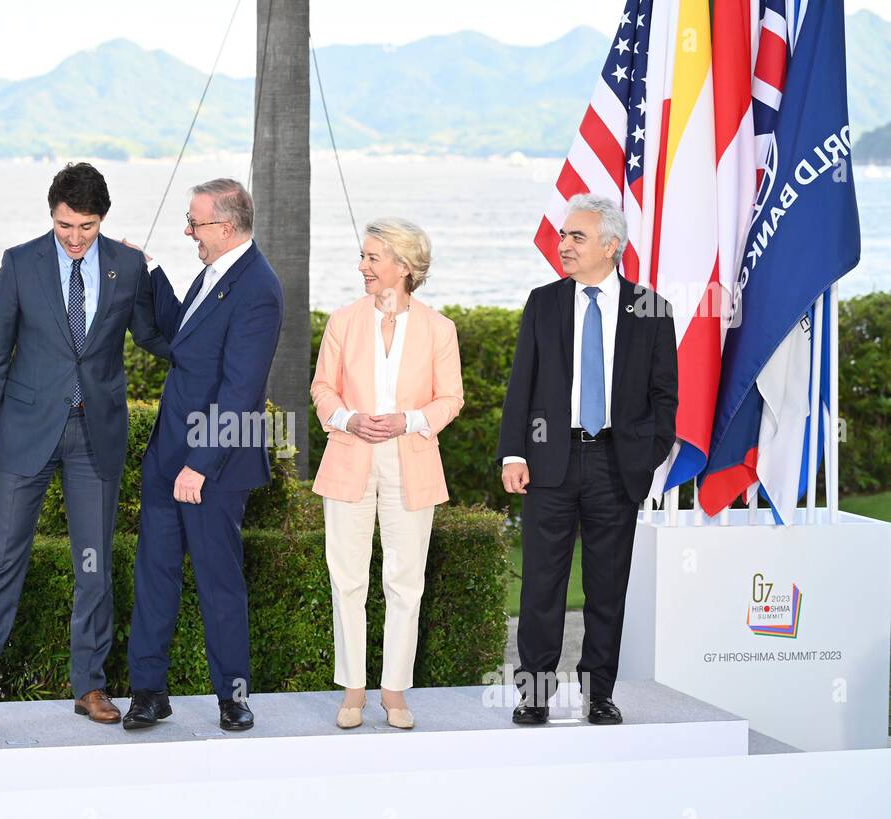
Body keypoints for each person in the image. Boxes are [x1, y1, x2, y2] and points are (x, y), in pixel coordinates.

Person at [0, 163, 171, 726]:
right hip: (25, 433)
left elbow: (155, 338)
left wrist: (158, 275)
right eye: (65, 226)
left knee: (94, 565)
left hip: (96, 438)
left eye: (86, 226)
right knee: (0, 560)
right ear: (52, 215)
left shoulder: (128, 265)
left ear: (102, 219)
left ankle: (90, 687)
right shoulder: (19, 263)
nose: (76, 237)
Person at [497, 192, 677, 726]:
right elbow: (520, 386)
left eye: (577, 236)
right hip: (550, 463)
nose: (564, 244)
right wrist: (513, 452)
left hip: (616, 467)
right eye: (563, 235)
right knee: (541, 587)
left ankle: (599, 694)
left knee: (606, 587)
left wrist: (644, 456)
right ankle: (534, 694)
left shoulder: (651, 308)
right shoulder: (544, 302)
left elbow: (665, 395)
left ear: (611, 246)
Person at [121, 178, 283, 733]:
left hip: (212, 466)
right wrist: (150, 274)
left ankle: (232, 699)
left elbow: (241, 389)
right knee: (155, 575)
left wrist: (199, 463)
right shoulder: (212, 274)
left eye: (195, 223)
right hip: (168, 454)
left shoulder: (258, 287)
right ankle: (148, 693)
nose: (188, 230)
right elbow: (177, 342)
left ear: (227, 227)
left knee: (219, 581)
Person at [310, 218, 464, 730]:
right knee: (347, 578)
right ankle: (353, 689)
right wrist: (350, 418)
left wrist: (408, 421)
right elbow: (322, 390)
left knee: (406, 582)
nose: (363, 266)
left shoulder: (440, 329)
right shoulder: (342, 321)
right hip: (350, 457)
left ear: (404, 265)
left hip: (410, 462)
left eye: (373, 258)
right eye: (363, 257)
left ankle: (394, 691)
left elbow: (451, 399)